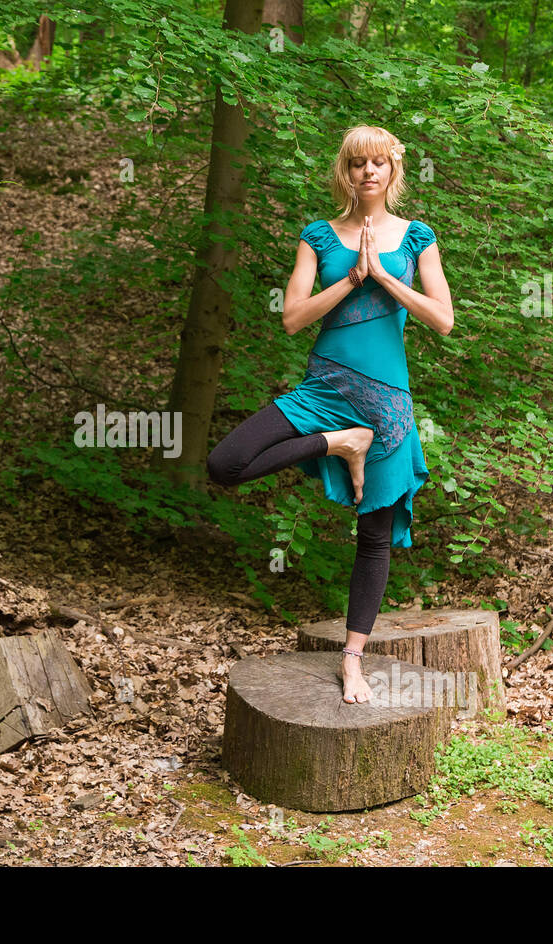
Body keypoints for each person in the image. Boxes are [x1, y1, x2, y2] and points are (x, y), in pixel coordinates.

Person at [207, 124, 454, 704]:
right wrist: (351, 277)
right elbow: (293, 318)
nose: (368, 172)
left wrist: (387, 277)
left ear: (393, 171)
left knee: (373, 537)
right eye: (357, 163)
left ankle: (352, 660)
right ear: (344, 172)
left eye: (378, 163)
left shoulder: (417, 237)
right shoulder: (317, 235)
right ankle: (341, 442)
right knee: (227, 463)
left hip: (387, 402)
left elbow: (442, 320)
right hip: (325, 389)